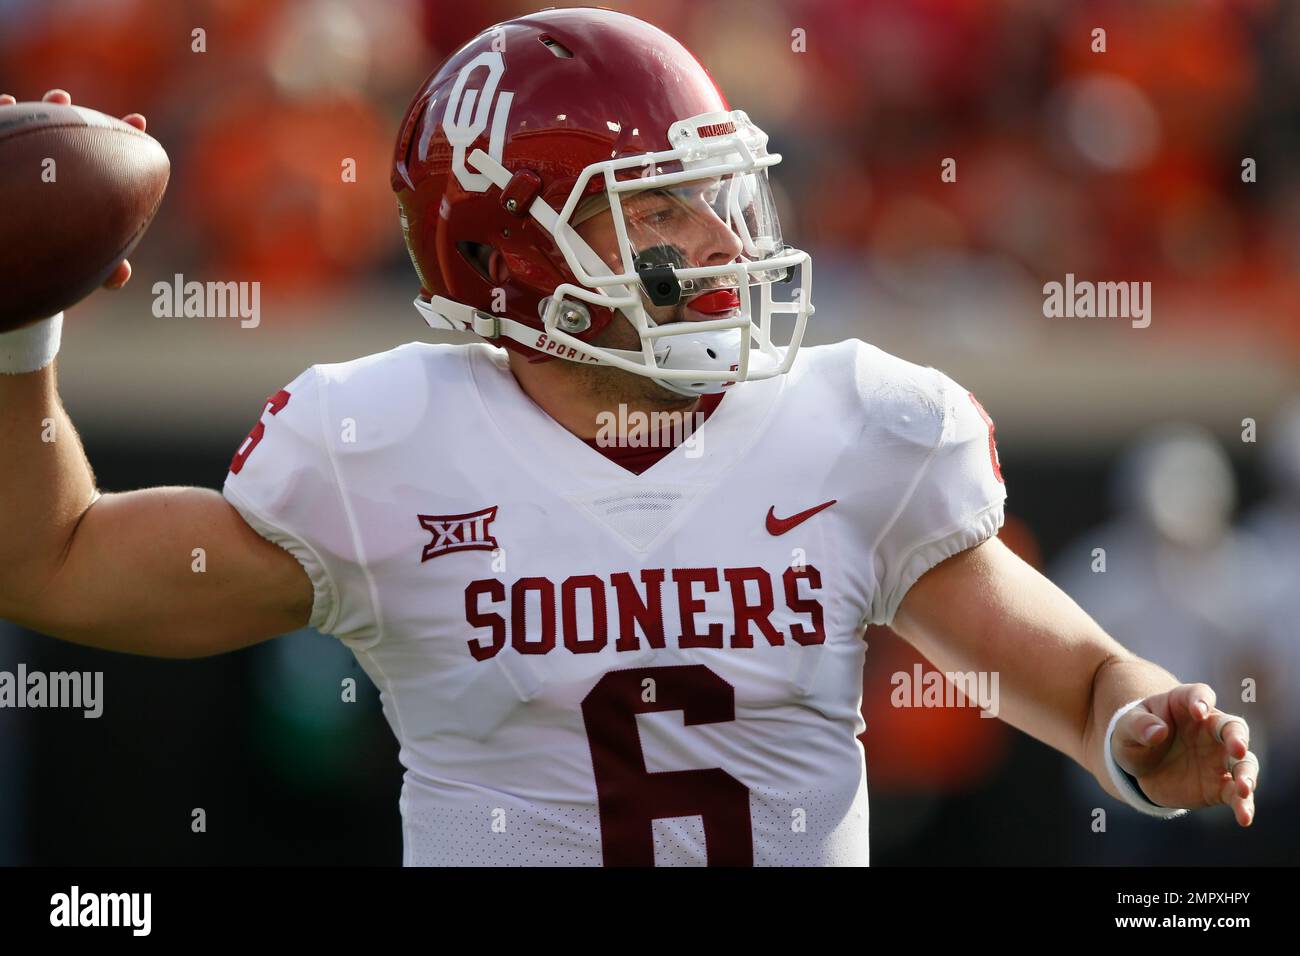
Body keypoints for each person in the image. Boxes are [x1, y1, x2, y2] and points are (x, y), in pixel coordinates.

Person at [0, 8, 1257, 866]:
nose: (720, 243)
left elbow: (1086, 676)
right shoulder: (381, 444)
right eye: (658, 208)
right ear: (507, 251)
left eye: (721, 195)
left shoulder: (852, 426)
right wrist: (21, 331)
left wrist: (1141, 730)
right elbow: (54, 560)